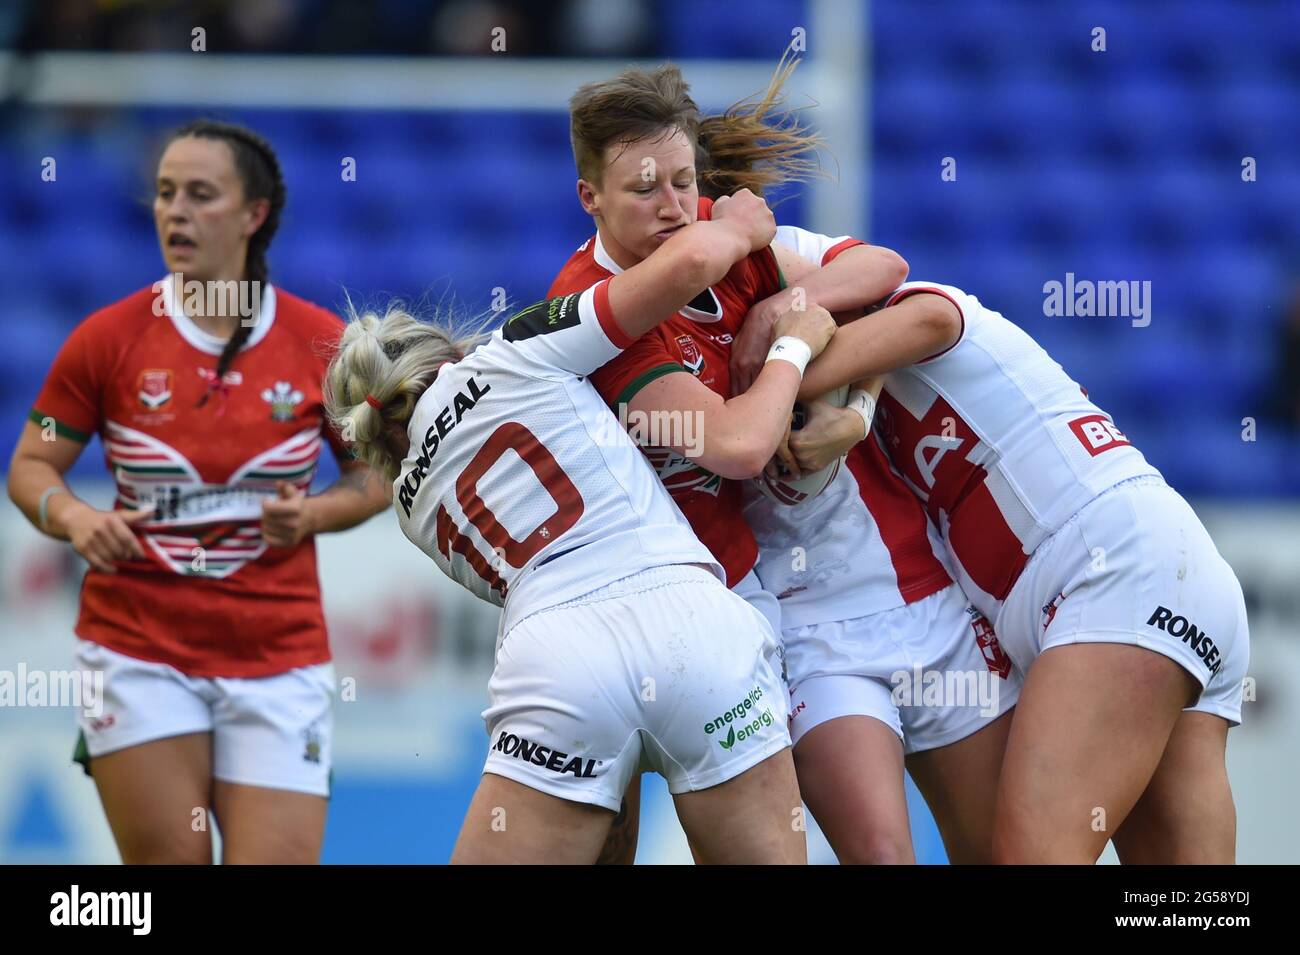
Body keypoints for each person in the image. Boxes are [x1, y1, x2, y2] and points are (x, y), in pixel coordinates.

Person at [325, 188, 835, 864]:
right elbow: (677, 274)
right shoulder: (515, 346)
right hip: (694, 622)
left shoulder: (408, 506)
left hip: (559, 658)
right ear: (443, 351)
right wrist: (739, 234)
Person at [7, 120, 393, 863]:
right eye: (163, 193)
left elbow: (375, 473)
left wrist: (314, 512)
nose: (174, 212)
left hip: (279, 657)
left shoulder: (322, 344)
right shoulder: (108, 338)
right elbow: (31, 466)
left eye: (200, 195)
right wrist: (75, 518)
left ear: (254, 214)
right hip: (138, 653)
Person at [783, 251, 1250, 863]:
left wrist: (786, 363)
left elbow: (929, 318)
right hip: (1165, 578)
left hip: (1114, 579)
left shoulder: (915, 312)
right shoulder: (881, 381)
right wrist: (854, 410)